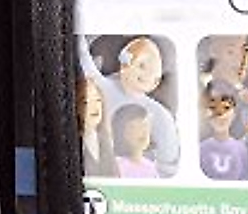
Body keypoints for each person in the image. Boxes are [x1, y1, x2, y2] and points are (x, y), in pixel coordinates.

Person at [77, 34, 180, 175]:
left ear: (157, 81)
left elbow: (168, 165)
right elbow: (81, 53)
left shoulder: (161, 116)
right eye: (140, 65)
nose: (145, 73)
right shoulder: (100, 88)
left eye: (149, 68)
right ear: (123, 64)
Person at [199, 80, 248, 181]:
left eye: (226, 108)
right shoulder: (200, 149)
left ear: (234, 113)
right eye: (212, 108)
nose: (220, 115)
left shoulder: (241, 150)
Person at [75, 76, 117, 177]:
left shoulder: (107, 141)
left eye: (98, 100)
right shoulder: (73, 143)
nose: (95, 107)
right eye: (86, 102)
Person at [112, 105, 160, 179]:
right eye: (133, 127)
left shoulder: (151, 168)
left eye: (145, 125)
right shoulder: (116, 166)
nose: (142, 131)